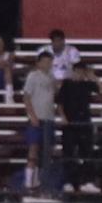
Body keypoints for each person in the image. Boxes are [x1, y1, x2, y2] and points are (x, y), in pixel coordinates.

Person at [57, 60, 100, 193]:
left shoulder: (87, 85)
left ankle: (87, 181)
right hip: (70, 124)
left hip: (84, 122)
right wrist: (63, 117)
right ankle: (68, 182)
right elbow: (60, 104)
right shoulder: (66, 85)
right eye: (78, 71)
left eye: (82, 72)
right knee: (69, 153)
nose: (80, 74)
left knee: (86, 152)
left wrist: (93, 77)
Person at [18, 60, 60, 195]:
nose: (48, 64)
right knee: (33, 149)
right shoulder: (33, 76)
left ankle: (38, 181)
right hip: (36, 119)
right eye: (46, 61)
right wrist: (32, 116)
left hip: (49, 119)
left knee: (47, 152)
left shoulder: (52, 77)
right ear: (39, 63)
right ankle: (28, 181)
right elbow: (26, 97)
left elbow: (55, 94)